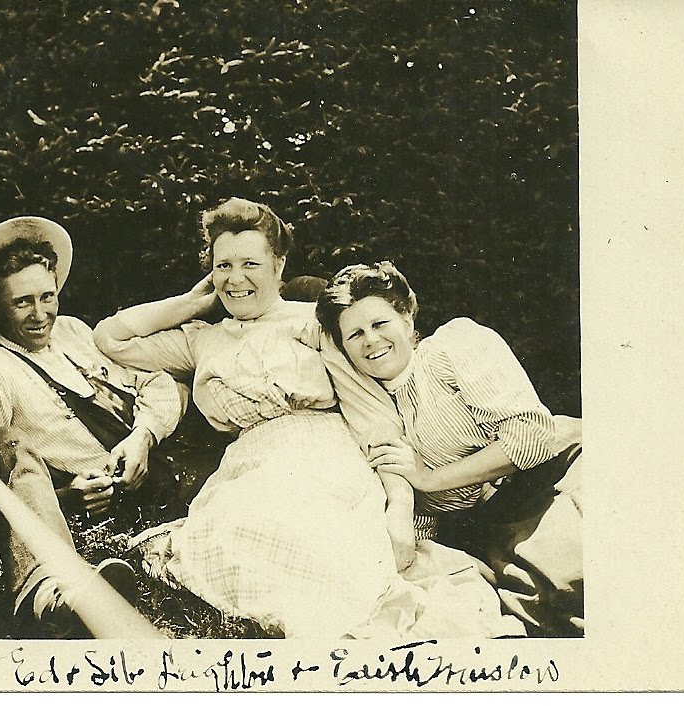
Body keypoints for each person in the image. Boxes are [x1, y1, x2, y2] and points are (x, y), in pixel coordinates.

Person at [93, 197, 522, 639]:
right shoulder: (203, 341)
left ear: (279, 264)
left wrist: (400, 504)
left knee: (314, 541)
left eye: (250, 263)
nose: (236, 278)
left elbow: (371, 415)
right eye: (223, 266)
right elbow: (110, 337)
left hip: (327, 455)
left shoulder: (319, 324)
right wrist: (191, 303)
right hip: (250, 463)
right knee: (238, 531)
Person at [315, 260, 584, 635]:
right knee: (523, 617)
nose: (371, 340)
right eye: (354, 334)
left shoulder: (451, 347)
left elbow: (532, 436)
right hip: (488, 527)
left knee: (578, 584)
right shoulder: (369, 412)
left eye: (380, 324)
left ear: (407, 318)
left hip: (555, 477)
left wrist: (429, 478)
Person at [0, 216, 188, 635]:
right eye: (22, 302)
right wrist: (67, 499)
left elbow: (158, 382)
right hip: (111, 503)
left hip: (160, 458)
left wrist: (143, 436)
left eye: (48, 296)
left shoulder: (74, 332)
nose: (40, 314)